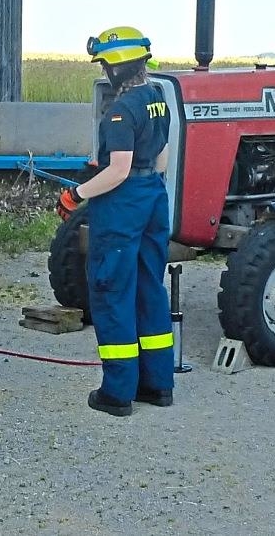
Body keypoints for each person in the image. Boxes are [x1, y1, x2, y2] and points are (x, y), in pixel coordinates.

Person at [56, 26, 174, 417]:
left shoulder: (120, 110)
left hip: (123, 207)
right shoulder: (158, 98)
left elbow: (118, 172)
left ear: (118, 68)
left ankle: (117, 392)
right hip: (154, 196)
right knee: (148, 289)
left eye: (106, 63)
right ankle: (157, 385)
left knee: (112, 291)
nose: (104, 70)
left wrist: (77, 194)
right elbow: (161, 158)